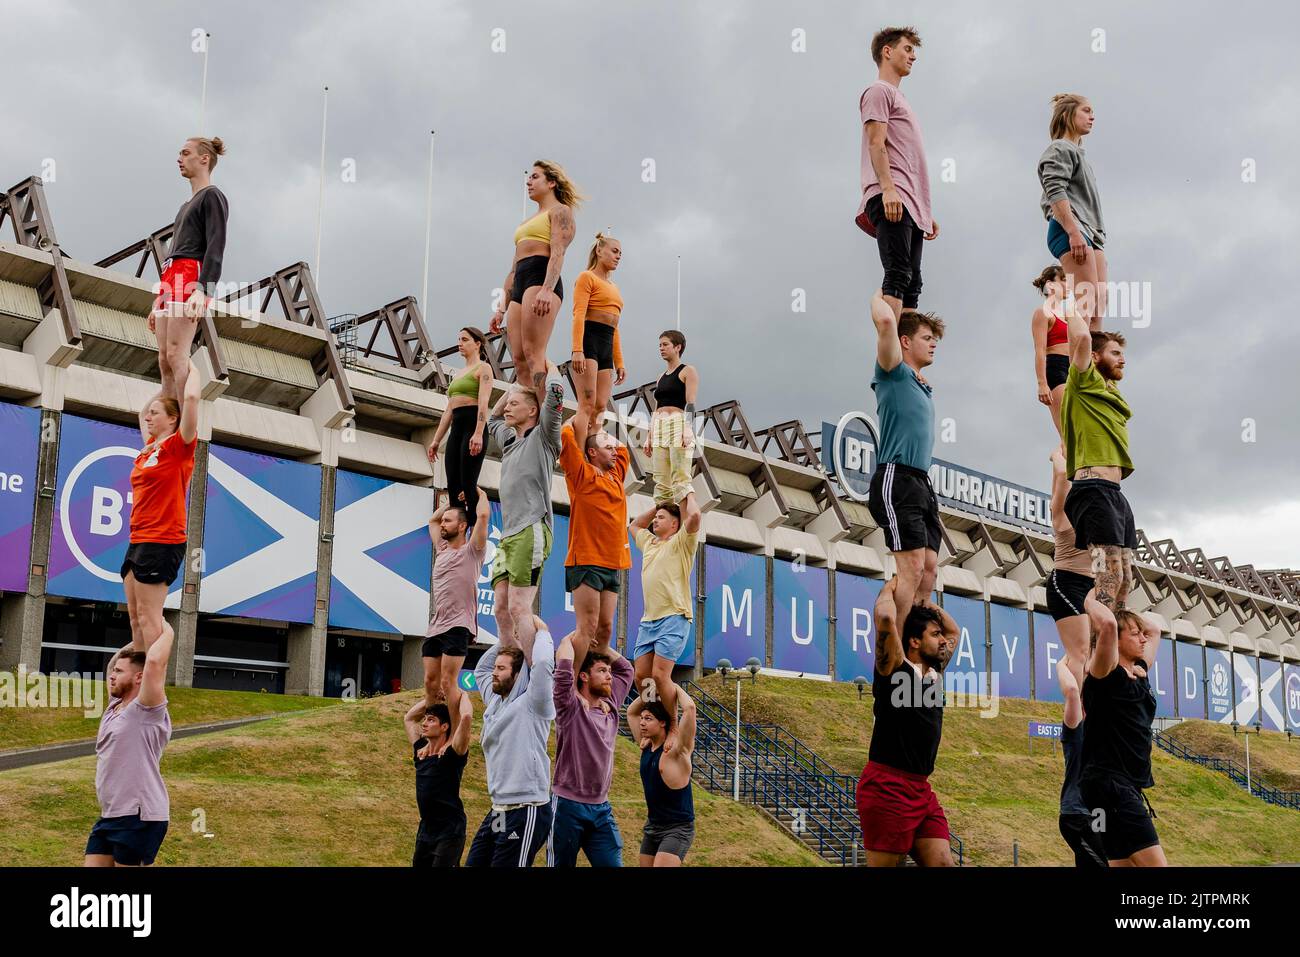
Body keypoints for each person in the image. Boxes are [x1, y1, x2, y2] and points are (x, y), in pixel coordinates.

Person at [856, 578, 959, 867]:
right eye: (934, 635)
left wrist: (924, 604)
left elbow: (954, 631)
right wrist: (891, 589)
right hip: (887, 787)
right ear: (914, 641)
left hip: (920, 789)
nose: (943, 641)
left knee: (943, 864)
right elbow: (887, 618)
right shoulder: (893, 669)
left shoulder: (934, 673)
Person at [867, 290, 944, 628]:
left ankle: (917, 642)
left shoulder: (920, 382)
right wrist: (888, 287)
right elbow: (885, 319)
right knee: (911, 568)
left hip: (921, 483)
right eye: (926, 338)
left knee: (928, 571)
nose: (933, 344)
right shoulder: (892, 370)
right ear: (905, 342)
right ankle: (895, 647)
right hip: (895, 478)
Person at [1060, 295, 1134, 648]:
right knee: (1108, 576)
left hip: (1114, 495)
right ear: (1095, 359)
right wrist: (1065, 302)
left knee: (1126, 579)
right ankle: (1095, 655)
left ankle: (1114, 646)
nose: (1122, 359)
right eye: (1115, 353)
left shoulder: (1111, 391)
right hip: (1092, 492)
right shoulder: (1083, 382)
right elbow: (1085, 340)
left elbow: (1096, 338)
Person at [855, 27, 937, 320]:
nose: (913, 56)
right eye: (907, 49)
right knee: (898, 272)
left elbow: (908, 157)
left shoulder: (901, 99)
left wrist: (923, 211)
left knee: (913, 283)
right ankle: (889, 361)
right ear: (887, 52)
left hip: (910, 203)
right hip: (891, 195)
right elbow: (876, 142)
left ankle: (907, 362)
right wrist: (888, 188)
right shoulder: (878, 91)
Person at [486, 360, 565, 659]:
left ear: (532, 411)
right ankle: (511, 666)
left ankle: (535, 674)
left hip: (531, 528)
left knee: (519, 607)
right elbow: (491, 419)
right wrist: (515, 384)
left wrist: (548, 366)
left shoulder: (544, 437)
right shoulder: (509, 440)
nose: (507, 407)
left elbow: (556, 393)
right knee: (501, 609)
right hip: (508, 534)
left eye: (515, 404)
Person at [122, 360, 200, 654]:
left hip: (162, 540)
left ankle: (154, 693)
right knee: (134, 619)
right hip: (138, 539)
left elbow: (191, 398)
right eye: (150, 413)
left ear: (172, 419)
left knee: (149, 618)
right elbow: (141, 412)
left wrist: (184, 363)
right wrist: (164, 380)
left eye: (157, 413)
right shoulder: (148, 449)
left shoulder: (179, 447)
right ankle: (136, 688)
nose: (149, 417)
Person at [467, 616, 556, 867]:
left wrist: (542, 632)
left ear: (517, 675)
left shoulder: (533, 702)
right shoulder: (495, 702)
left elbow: (542, 665)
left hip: (526, 809)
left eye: (502, 669)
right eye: (497, 668)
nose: (494, 673)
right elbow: (481, 670)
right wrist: (508, 639)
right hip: (500, 810)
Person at [1079, 611, 1166, 866]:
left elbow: (1156, 629)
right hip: (1110, 785)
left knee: (1121, 863)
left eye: (1141, 633)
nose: (1143, 638)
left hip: (1120, 787)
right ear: (1115, 640)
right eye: (1134, 633)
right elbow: (1107, 624)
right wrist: (1109, 610)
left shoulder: (1139, 672)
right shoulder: (1106, 674)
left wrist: (1127, 614)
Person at [488, 161, 581, 398]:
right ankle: (528, 421)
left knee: (533, 353)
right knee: (518, 359)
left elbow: (558, 253)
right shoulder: (524, 223)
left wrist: (547, 289)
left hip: (541, 276)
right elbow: (512, 269)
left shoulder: (560, 211)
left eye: (535, 177)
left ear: (551, 182)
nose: (528, 182)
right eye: (528, 178)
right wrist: (501, 308)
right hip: (521, 278)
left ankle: (545, 417)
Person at [149, 137, 229, 404]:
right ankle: (169, 421)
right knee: (163, 357)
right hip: (170, 275)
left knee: (176, 353)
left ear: (204, 158)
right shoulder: (185, 206)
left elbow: (216, 246)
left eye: (185, 153)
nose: (179, 159)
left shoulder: (213, 196)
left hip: (189, 273)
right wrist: (159, 298)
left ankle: (184, 424)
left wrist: (203, 290)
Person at [84, 635, 174, 866]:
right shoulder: (114, 708)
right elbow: (110, 664)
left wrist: (165, 630)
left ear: (139, 678)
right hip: (110, 815)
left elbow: (154, 663)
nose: (112, 675)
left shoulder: (146, 710)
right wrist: (138, 639)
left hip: (139, 816)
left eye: (119, 671)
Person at [548, 633, 635, 867]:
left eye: (609, 671)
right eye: (602, 671)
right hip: (567, 805)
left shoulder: (612, 707)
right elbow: (564, 670)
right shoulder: (569, 707)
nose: (609, 676)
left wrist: (604, 648)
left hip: (601, 808)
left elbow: (626, 670)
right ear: (584, 676)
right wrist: (573, 637)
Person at [559, 397, 630, 674]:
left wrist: (599, 424)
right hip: (586, 560)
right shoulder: (581, 474)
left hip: (612, 562)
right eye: (606, 448)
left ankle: (590, 680)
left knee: (605, 630)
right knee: (586, 627)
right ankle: (571, 681)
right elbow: (567, 433)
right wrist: (587, 421)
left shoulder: (616, 476)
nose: (614, 451)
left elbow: (623, 449)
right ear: (591, 453)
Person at [629, 493, 701, 747]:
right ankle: (652, 717)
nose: (655, 521)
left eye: (661, 518)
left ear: (674, 524)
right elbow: (634, 525)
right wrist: (657, 506)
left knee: (660, 675)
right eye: (655, 517)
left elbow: (695, 517)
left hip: (674, 617)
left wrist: (685, 496)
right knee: (641, 676)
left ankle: (671, 725)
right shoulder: (649, 542)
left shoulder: (682, 542)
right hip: (649, 621)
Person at [1038, 94, 1107, 331]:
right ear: (1068, 115)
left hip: (1092, 234)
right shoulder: (1060, 148)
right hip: (1071, 230)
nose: (1092, 116)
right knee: (1084, 306)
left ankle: (1092, 367)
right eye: (1086, 111)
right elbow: (1054, 189)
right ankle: (1074, 367)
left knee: (1097, 308)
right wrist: (1073, 231)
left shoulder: (1080, 156)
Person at [424, 488, 490, 729]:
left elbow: (482, 517)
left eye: (448, 521)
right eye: (444, 520)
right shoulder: (441, 548)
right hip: (436, 625)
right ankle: (433, 729)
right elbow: (432, 520)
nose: (442, 524)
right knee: (431, 682)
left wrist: (480, 494)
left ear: (462, 526)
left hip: (459, 624)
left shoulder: (473, 551)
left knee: (447, 682)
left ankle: (451, 735)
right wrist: (451, 503)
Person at [427, 327, 493, 525]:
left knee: (468, 482)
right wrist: (436, 440)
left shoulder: (483, 369)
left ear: (477, 344)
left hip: (473, 425)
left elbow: (483, 402)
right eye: (459, 339)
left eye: (465, 340)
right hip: (456, 427)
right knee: (452, 484)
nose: (460, 343)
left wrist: (479, 433)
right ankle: (458, 533)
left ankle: (473, 527)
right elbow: (448, 410)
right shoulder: (457, 375)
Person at [627, 689, 697, 867]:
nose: (641, 722)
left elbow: (689, 708)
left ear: (663, 722)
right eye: (642, 718)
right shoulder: (645, 745)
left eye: (648, 718)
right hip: (653, 826)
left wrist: (670, 684)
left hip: (677, 828)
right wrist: (652, 690)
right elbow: (631, 712)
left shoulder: (677, 751)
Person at [403, 694, 473, 868]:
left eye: (431, 720)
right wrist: (433, 699)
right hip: (426, 830)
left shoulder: (453, 753)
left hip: (450, 831)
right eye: (425, 719)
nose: (424, 723)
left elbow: (466, 717)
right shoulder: (421, 752)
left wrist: (460, 694)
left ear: (444, 727)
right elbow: (410, 718)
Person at [570, 233, 627, 438]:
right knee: (587, 402)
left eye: (620, 253)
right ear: (599, 250)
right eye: (614, 251)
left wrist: (619, 361)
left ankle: (591, 454)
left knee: (601, 405)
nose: (618, 256)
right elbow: (578, 314)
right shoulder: (587, 277)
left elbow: (615, 327)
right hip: (589, 340)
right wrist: (577, 350)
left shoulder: (615, 287)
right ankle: (578, 452)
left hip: (606, 342)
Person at [1056, 653, 1107, 868]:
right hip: (1077, 815)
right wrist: (1063, 661)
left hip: (1100, 813)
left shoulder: (1105, 728)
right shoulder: (1076, 728)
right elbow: (1072, 692)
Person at [1046, 445, 1093, 675]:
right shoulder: (1062, 515)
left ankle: (1091, 703)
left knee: (1091, 653)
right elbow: (1063, 475)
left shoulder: (1093, 511)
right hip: (1066, 582)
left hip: (1092, 587)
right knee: (1081, 651)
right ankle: (1078, 708)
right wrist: (1057, 455)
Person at [643, 330, 699, 508]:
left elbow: (691, 402)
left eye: (665, 344)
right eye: (660, 345)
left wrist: (688, 428)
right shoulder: (660, 377)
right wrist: (649, 435)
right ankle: (665, 524)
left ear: (677, 347)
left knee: (680, 477)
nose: (661, 348)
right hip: (659, 426)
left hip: (677, 423)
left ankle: (685, 520)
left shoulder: (687, 371)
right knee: (660, 480)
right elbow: (656, 407)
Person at [1030, 265, 1070, 436]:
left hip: (1074, 369)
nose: (1069, 285)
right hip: (1057, 369)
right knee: (1067, 428)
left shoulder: (1068, 315)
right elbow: (1039, 350)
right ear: (1050, 284)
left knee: (1081, 425)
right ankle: (1059, 457)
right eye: (1064, 280)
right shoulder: (1042, 313)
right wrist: (1042, 384)